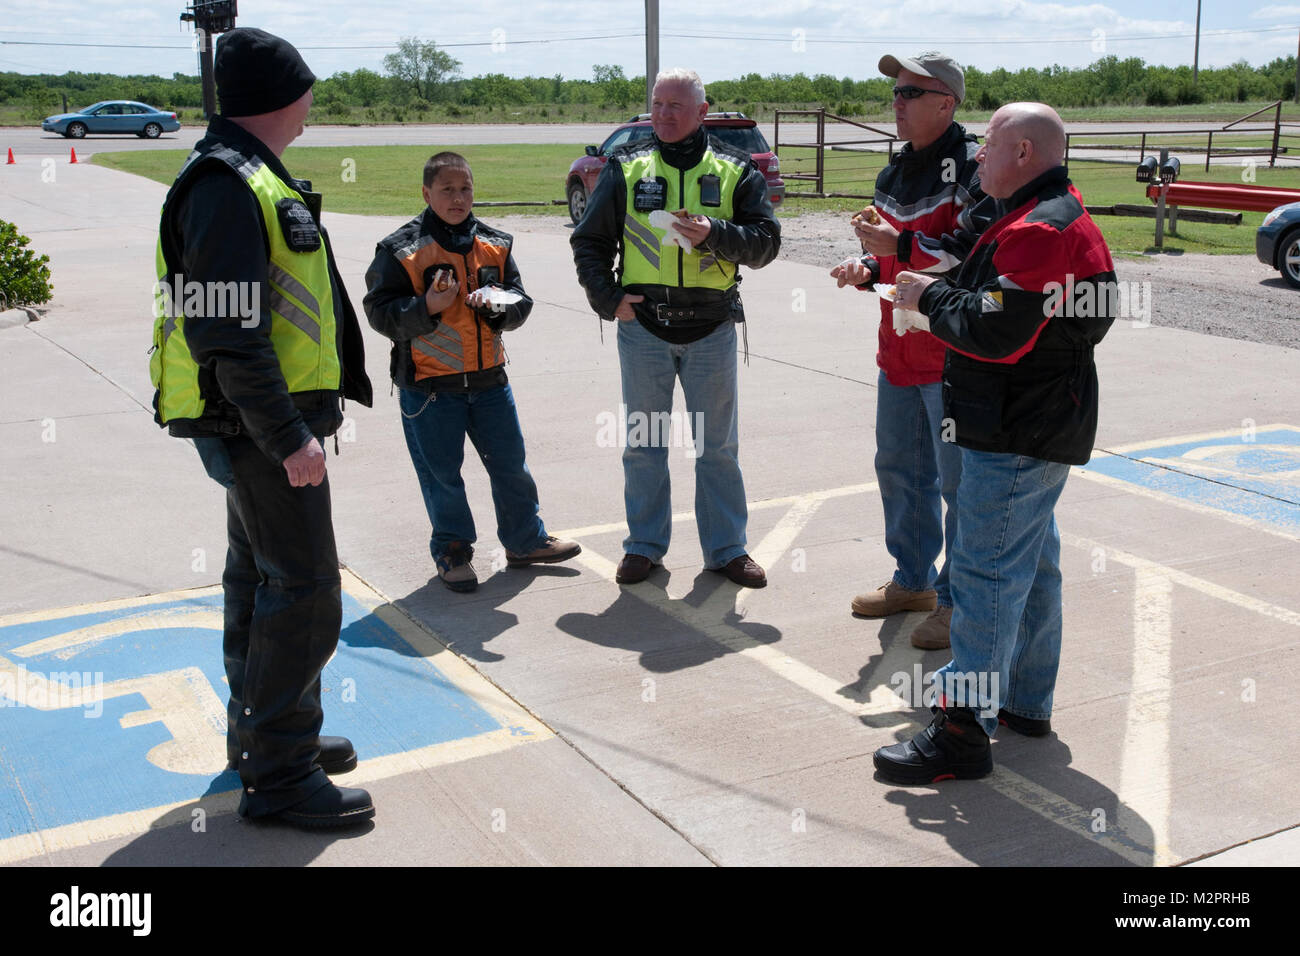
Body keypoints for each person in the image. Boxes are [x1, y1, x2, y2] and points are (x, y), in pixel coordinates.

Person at [150, 28, 375, 828]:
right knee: (306, 591)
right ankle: (279, 775)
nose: (314, 102)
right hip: (259, 429)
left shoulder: (247, 173)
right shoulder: (224, 185)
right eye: (307, 88)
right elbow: (227, 333)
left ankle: (266, 739)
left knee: (262, 582)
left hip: (260, 423)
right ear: (282, 97)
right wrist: (288, 437)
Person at [872, 102, 1116, 783]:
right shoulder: (1046, 213)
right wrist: (929, 288)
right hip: (1032, 424)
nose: (978, 158)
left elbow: (998, 329)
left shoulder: (1042, 226)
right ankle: (1023, 703)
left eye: (991, 148)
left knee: (984, 576)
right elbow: (1000, 305)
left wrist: (924, 300)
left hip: (1015, 430)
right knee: (1032, 568)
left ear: (1025, 154)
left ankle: (961, 729)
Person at [571, 68, 780, 587]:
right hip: (644, 328)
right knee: (643, 445)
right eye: (658, 104)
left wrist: (715, 232)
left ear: (702, 113)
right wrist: (607, 297)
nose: (664, 114)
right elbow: (588, 241)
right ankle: (643, 546)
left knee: (718, 448)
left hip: (711, 329)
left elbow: (766, 243)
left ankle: (727, 550)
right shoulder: (626, 167)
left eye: (676, 106)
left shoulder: (734, 168)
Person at [831, 52, 991, 649]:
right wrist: (867, 263)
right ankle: (913, 581)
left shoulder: (978, 166)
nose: (895, 102)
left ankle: (957, 601)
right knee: (899, 472)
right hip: (897, 347)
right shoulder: (895, 171)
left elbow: (968, 254)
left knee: (957, 487)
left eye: (909, 93)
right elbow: (896, 255)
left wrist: (900, 243)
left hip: (950, 355)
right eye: (895, 92)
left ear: (946, 102)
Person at [363, 151, 580, 592]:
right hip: (430, 387)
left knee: (511, 467)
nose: (458, 198)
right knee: (443, 476)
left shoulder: (496, 243)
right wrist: (427, 307)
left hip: (489, 382)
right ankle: (453, 552)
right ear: (426, 193)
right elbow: (379, 312)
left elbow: (521, 302)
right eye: (447, 190)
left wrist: (501, 306)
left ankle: (525, 541)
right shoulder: (401, 249)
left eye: (465, 189)